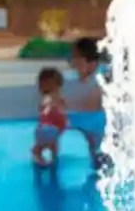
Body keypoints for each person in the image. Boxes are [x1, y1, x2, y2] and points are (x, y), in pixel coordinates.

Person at [63, 37, 106, 169]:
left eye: (76, 58)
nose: (72, 61)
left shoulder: (102, 79)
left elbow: (95, 104)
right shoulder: (69, 79)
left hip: (96, 123)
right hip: (82, 122)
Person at [32, 67, 67, 167]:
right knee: (53, 144)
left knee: (39, 147)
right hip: (56, 127)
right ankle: (54, 158)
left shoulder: (48, 98)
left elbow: (44, 109)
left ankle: (39, 156)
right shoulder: (56, 97)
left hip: (46, 127)